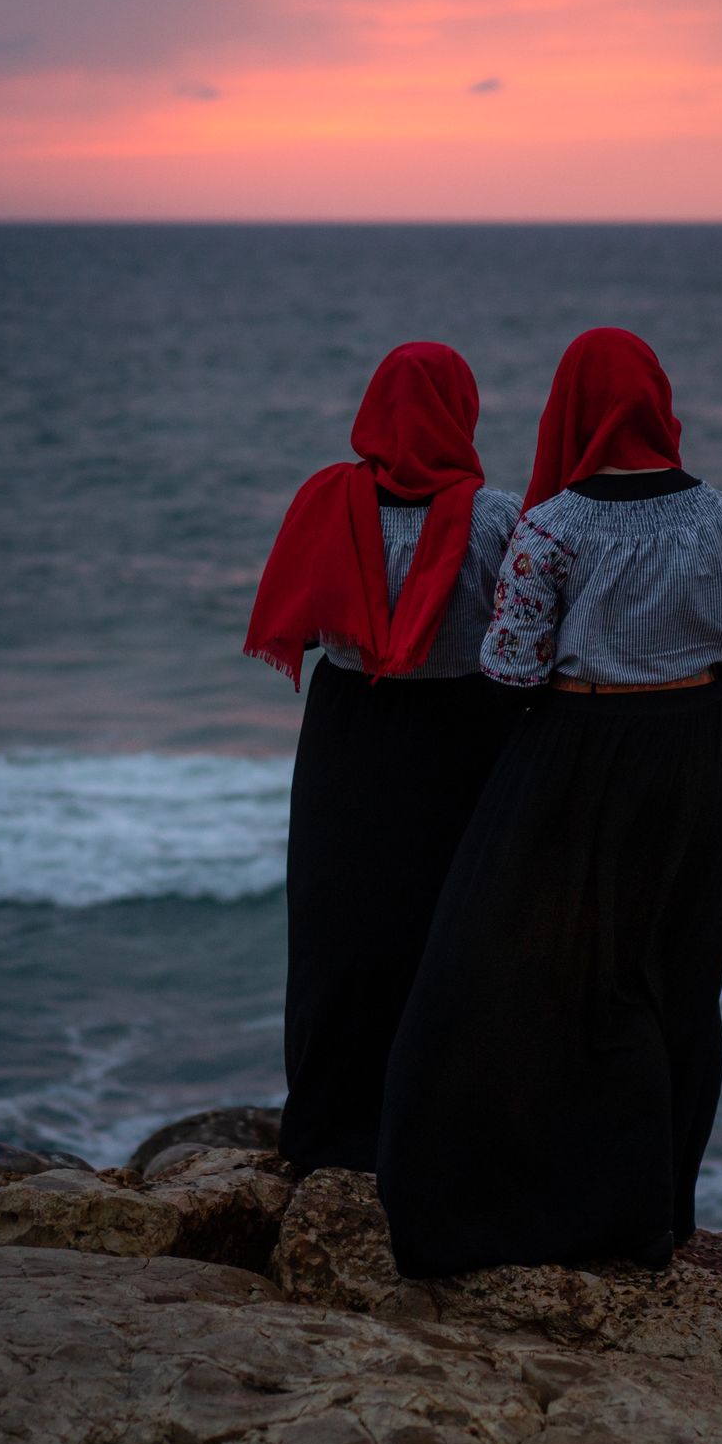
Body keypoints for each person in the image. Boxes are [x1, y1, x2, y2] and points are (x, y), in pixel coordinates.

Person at [377, 327, 722, 1276]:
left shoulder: (554, 524)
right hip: (699, 756)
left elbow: (510, 669)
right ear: (658, 402)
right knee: (678, 976)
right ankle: (665, 1212)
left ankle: (556, 1211)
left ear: (573, 409)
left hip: (583, 754)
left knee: (543, 981)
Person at [244, 342, 521, 1173]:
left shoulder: (326, 500)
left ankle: (328, 1132)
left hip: (347, 733)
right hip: (464, 735)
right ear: (461, 411)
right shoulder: (498, 518)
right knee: (449, 928)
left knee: (337, 928)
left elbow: (298, 607)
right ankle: (437, 1130)